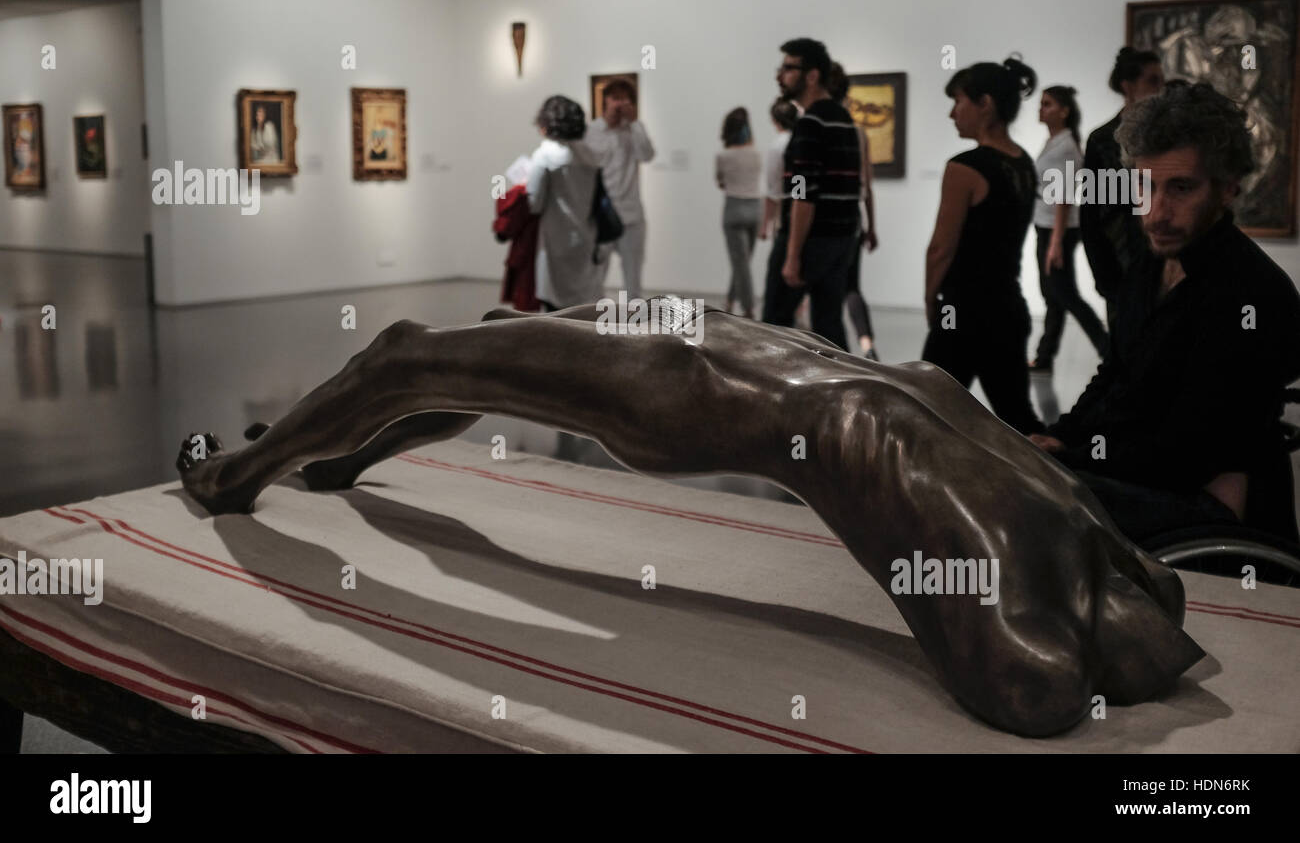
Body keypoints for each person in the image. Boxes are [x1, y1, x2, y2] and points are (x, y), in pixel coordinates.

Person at [178, 299, 1201, 739]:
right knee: (461, 340)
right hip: (698, 350)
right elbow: (1062, 670)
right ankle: (280, 464)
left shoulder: (1031, 524)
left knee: (414, 351)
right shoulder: (1049, 519)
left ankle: (250, 473)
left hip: (696, 371)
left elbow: (1035, 693)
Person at [1030, 82, 1300, 543]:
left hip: (1208, 515)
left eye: (1180, 188)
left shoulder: (1253, 294)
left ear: (1228, 188)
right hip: (1145, 476)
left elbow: (1184, 451)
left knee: (1025, 500)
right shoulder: (1148, 264)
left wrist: (1071, 457)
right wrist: (1060, 435)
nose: (1156, 213)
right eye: (1144, 186)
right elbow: (1116, 371)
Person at [921, 56, 1043, 435]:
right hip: (1007, 307)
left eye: (958, 102)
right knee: (1020, 419)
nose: (952, 113)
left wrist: (930, 301)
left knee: (928, 416)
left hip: (964, 311)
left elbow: (941, 248)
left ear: (985, 104)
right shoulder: (1023, 162)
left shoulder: (965, 167)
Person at [761, 38, 861, 351]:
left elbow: (804, 193)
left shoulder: (810, 123)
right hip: (840, 240)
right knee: (829, 327)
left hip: (810, 242)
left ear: (812, 75)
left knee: (774, 327)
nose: (781, 76)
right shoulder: (843, 119)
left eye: (789, 68)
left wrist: (792, 256)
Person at [1081, 47, 1164, 324]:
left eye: (1161, 81)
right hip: (1123, 268)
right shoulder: (1104, 140)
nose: (1160, 89)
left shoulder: (1170, 137)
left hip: (1166, 265)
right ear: (1128, 86)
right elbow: (1091, 214)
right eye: (1152, 81)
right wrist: (1103, 276)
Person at [1028, 86, 1109, 372]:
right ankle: (1045, 356)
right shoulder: (1057, 141)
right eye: (1041, 103)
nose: (1041, 108)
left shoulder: (1064, 147)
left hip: (1055, 229)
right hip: (1048, 225)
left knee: (1065, 294)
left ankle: (1107, 349)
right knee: (1055, 295)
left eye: (1048, 104)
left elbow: (1062, 197)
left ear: (1064, 111)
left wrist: (1055, 243)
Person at [526, 96, 604, 311]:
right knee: (585, 307)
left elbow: (535, 203)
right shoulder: (589, 155)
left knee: (555, 309)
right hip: (586, 236)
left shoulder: (544, 155)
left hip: (555, 240)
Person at [826, 63, 880, 360]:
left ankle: (838, 356)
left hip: (825, 223)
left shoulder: (816, 127)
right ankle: (867, 344)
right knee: (851, 287)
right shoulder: (859, 133)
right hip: (853, 220)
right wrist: (871, 226)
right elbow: (867, 186)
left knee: (827, 293)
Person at [586, 78, 655, 297]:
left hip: (631, 215)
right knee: (594, 277)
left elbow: (647, 154)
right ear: (606, 100)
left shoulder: (633, 130)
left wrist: (635, 123)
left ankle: (634, 327)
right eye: (615, 98)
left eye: (624, 99)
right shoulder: (591, 131)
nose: (619, 103)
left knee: (633, 279)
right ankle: (592, 324)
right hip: (600, 216)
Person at [715, 108, 763, 318]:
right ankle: (729, 300)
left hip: (734, 209)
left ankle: (749, 308)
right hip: (756, 209)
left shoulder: (723, 156)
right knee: (742, 262)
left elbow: (720, 181)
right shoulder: (756, 154)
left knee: (740, 263)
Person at [760, 98, 798, 241]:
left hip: (785, 210)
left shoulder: (776, 146)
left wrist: (765, 225)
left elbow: (772, 189)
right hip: (804, 207)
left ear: (775, 121)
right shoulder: (802, 141)